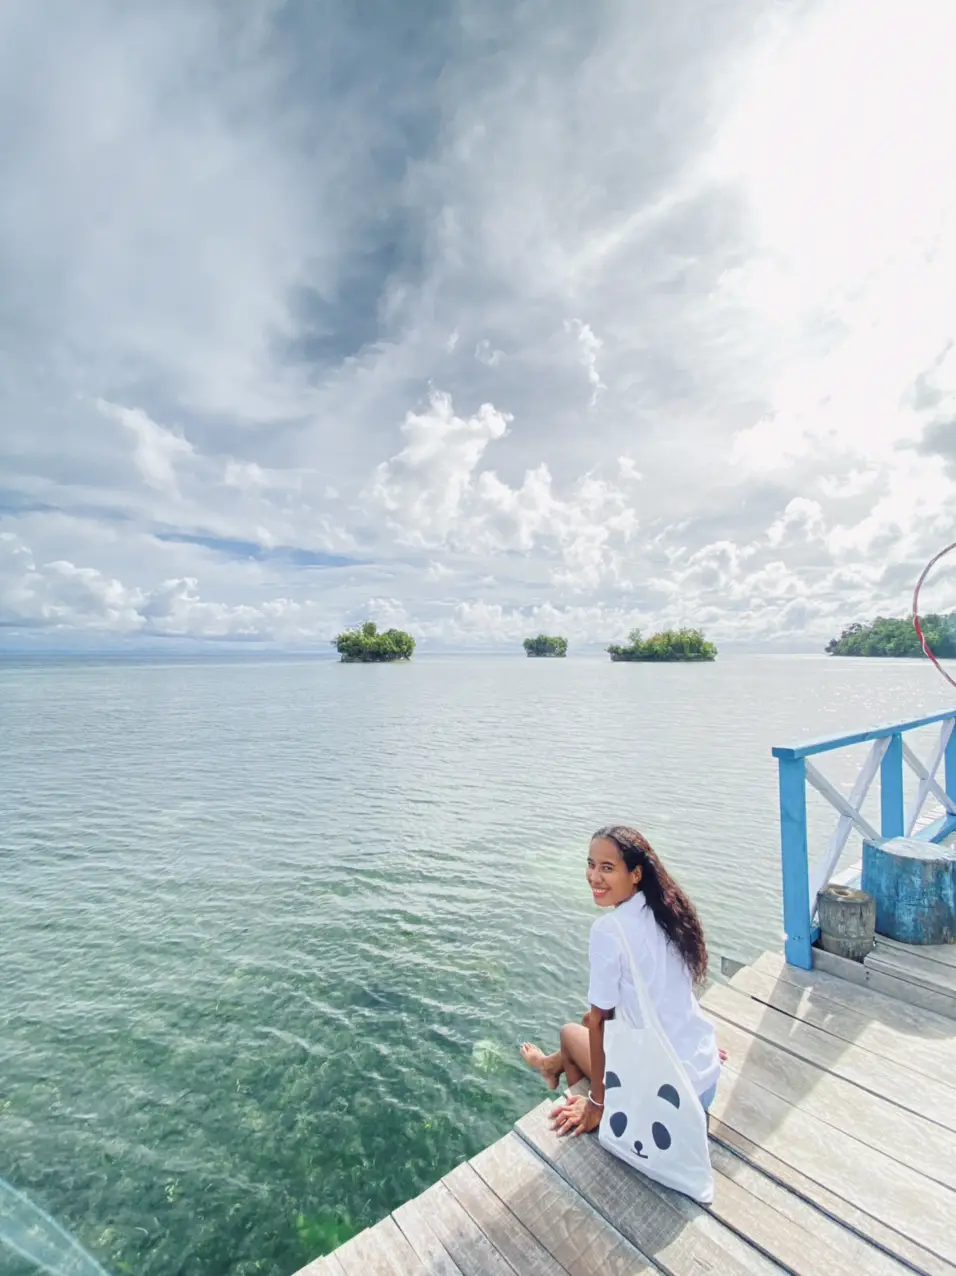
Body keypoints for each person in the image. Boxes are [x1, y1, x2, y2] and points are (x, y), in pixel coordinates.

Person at [520, 825, 722, 1138]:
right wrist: (693, 1041)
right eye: (590, 864)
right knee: (595, 1024)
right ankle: (551, 1067)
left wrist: (597, 1103)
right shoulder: (670, 914)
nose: (594, 877)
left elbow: (598, 1023)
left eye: (608, 868)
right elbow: (674, 992)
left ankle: (586, 1108)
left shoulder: (609, 931)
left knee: (572, 1033)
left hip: (666, 1097)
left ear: (636, 874)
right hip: (704, 1080)